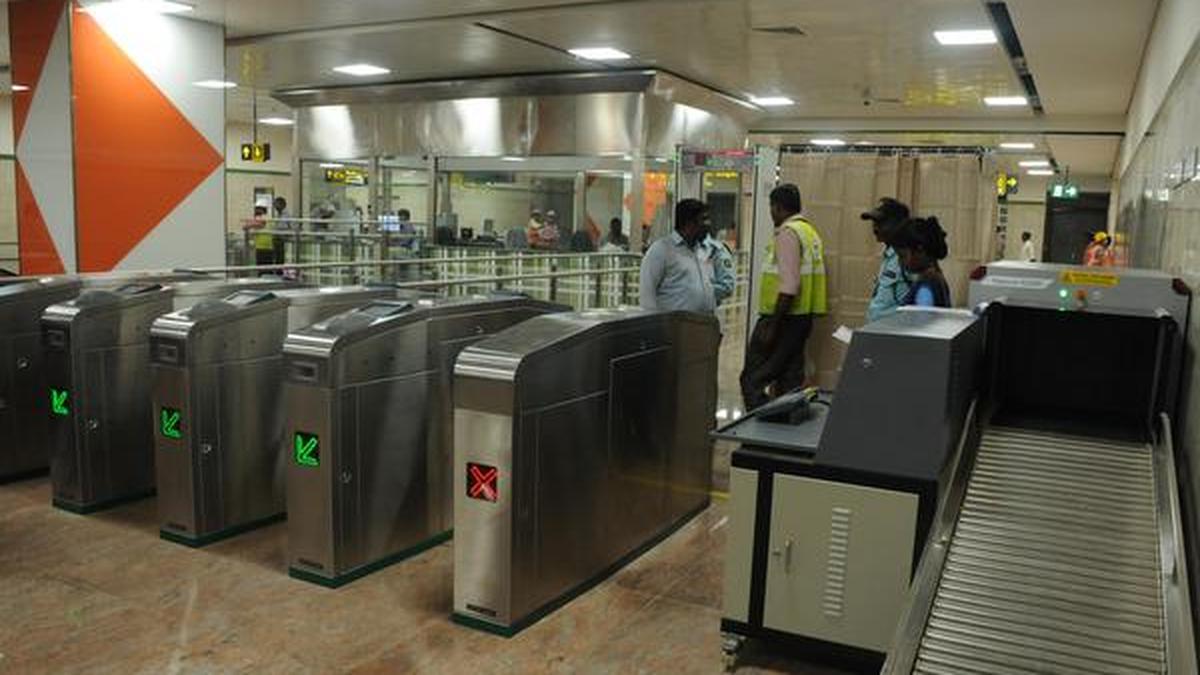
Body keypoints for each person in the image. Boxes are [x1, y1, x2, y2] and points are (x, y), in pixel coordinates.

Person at [740, 184, 827, 410]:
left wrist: (772, 326)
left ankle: (760, 431)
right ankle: (785, 436)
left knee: (752, 379)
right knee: (789, 381)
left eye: (771, 208)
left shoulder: (788, 234)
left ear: (777, 207)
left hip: (782, 318)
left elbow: (790, 285)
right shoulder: (810, 232)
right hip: (801, 319)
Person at [639, 199, 716, 314]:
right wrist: (655, 328)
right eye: (703, 219)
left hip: (704, 326)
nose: (708, 224)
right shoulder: (661, 250)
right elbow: (647, 296)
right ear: (689, 223)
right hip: (674, 328)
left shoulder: (703, 251)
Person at [861, 197, 912, 323]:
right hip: (878, 334)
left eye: (881, 223)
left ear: (898, 224)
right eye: (874, 223)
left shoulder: (909, 258)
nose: (875, 229)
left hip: (895, 335)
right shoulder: (889, 255)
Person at [894, 217, 951, 307]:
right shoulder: (935, 278)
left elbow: (922, 318)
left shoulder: (925, 289)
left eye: (902, 256)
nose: (899, 262)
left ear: (920, 251)